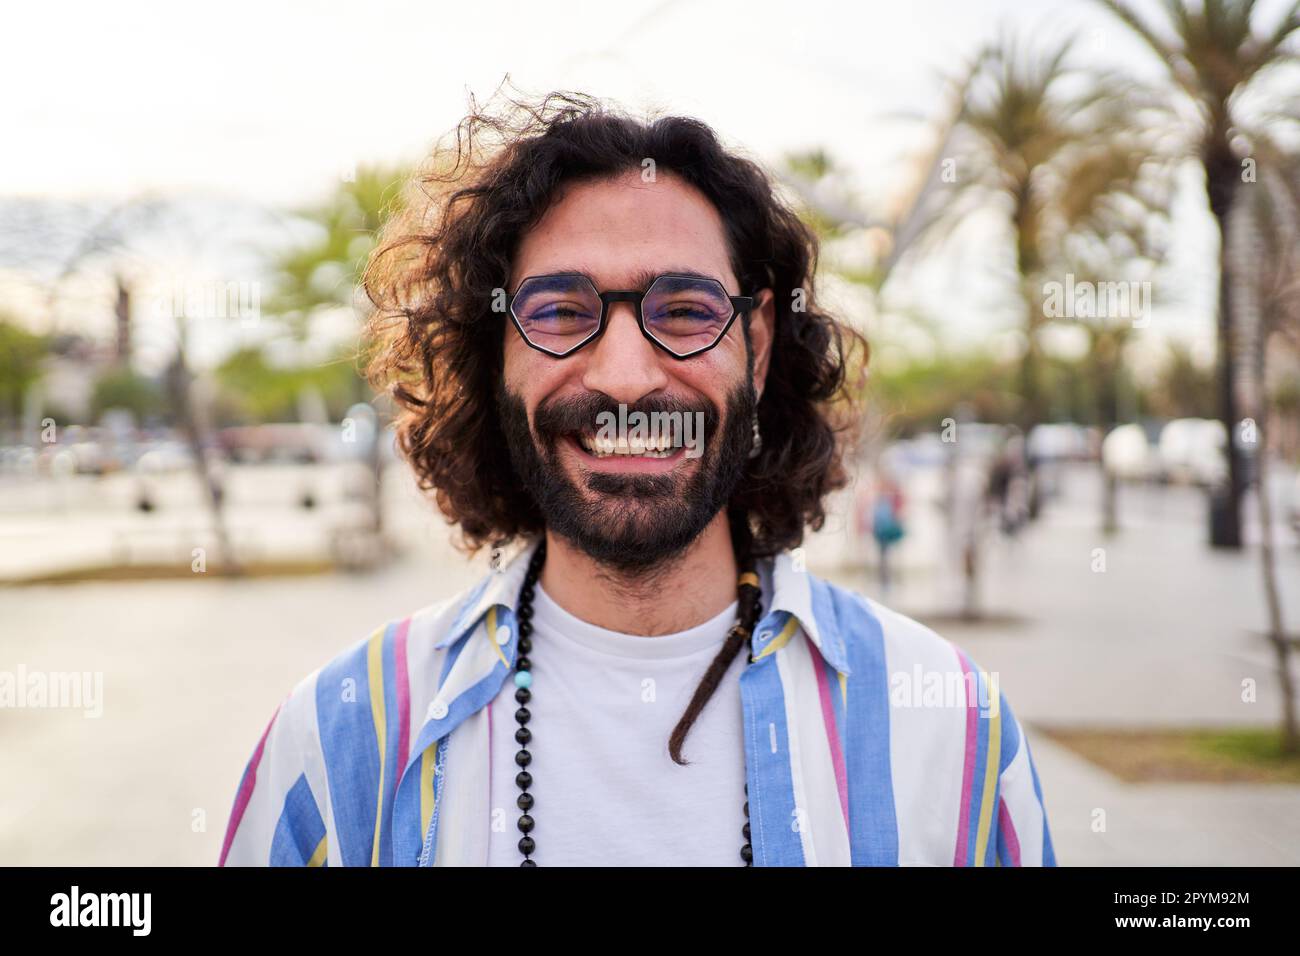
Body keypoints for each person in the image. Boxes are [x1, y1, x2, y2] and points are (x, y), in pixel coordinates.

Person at [218, 91, 1054, 867]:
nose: (623, 378)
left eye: (685, 310)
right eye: (559, 312)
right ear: (495, 355)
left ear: (757, 345)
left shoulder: (949, 731)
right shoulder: (340, 746)